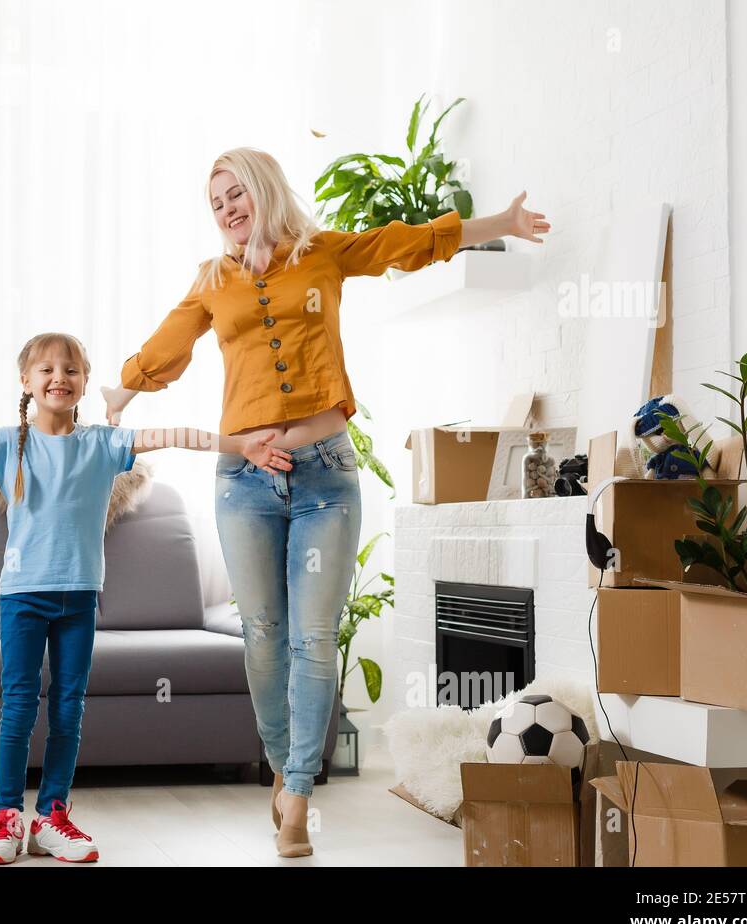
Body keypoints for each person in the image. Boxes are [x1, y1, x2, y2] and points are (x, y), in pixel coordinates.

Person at [104, 147, 550, 856]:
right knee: (263, 636)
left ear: (263, 189)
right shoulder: (211, 281)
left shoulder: (322, 255)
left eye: (235, 192)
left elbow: (401, 244)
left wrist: (499, 221)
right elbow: (169, 343)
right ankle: (283, 769)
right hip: (243, 481)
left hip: (325, 474)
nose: (226, 208)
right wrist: (120, 391)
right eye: (214, 201)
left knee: (314, 639)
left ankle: (298, 797)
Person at [0, 331, 292, 864]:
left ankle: (52, 815)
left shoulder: (103, 444)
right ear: (26, 382)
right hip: (23, 598)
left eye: (70, 370)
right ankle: (5, 816)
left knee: (68, 708)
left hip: (80, 598)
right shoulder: (4, 444)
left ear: (86, 382)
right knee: (19, 706)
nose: (58, 378)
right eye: (45, 370)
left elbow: (175, 435)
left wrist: (241, 444)